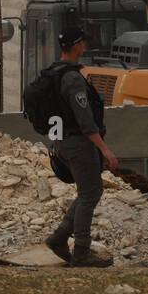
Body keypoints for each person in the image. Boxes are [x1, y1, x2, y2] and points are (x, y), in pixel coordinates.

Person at [43, 26, 119, 267]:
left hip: (61, 141)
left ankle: (59, 238)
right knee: (90, 193)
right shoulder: (72, 78)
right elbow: (85, 120)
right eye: (83, 43)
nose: (85, 46)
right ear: (76, 46)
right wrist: (104, 149)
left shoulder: (53, 73)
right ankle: (82, 251)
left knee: (88, 191)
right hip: (78, 143)